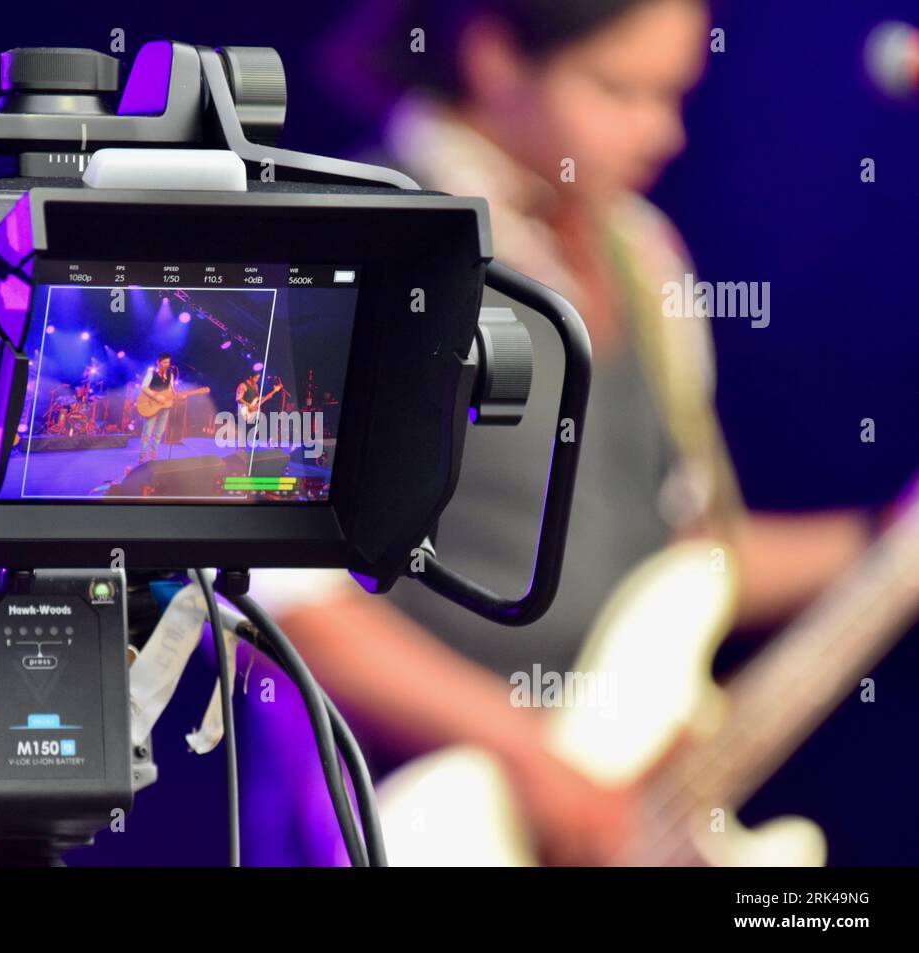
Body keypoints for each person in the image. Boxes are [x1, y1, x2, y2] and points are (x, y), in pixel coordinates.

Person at [247, 0, 890, 865]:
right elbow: (284, 600)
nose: (663, 133)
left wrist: (884, 545)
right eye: (620, 90)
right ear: (495, 56)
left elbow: (689, 553)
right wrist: (532, 757)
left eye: (675, 96)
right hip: (408, 818)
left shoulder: (645, 250)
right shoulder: (360, 241)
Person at [137, 352, 176, 463]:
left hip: (165, 406)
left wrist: (175, 395)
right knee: (147, 432)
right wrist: (155, 395)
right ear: (158, 362)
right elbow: (144, 387)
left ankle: (153, 455)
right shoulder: (151, 373)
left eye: (168, 362)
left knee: (159, 432)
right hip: (152, 404)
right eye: (164, 362)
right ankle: (142, 456)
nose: (167, 364)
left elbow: (170, 389)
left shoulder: (171, 375)